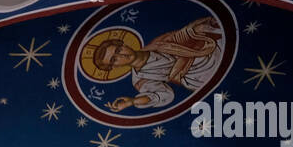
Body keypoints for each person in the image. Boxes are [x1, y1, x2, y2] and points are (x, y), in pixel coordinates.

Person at [89, 17, 223, 111]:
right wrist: (132, 102)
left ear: (123, 44)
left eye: (118, 50)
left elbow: (180, 36)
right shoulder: (141, 80)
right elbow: (163, 95)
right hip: (199, 76)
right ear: (114, 67)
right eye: (114, 59)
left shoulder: (156, 44)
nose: (122, 55)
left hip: (212, 50)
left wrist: (193, 30)